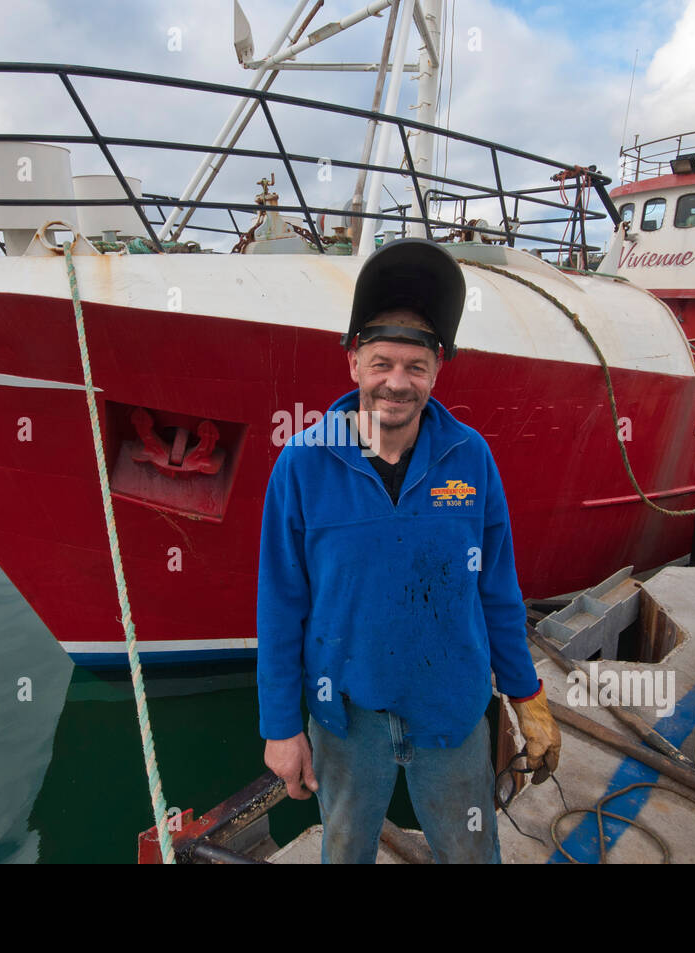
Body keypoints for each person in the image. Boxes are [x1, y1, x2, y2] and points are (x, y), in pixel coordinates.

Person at [256, 237, 562, 864]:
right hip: (345, 715)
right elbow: (280, 606)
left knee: (472, 850)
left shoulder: (471, 458)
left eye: (415, 367)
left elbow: (497, 590)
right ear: (353, 363)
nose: (397, 383)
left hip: (450, 708)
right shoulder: (302, 465)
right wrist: (281, 727)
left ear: (437, 370)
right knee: (344, 850)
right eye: (382, 363)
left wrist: (526, 696)